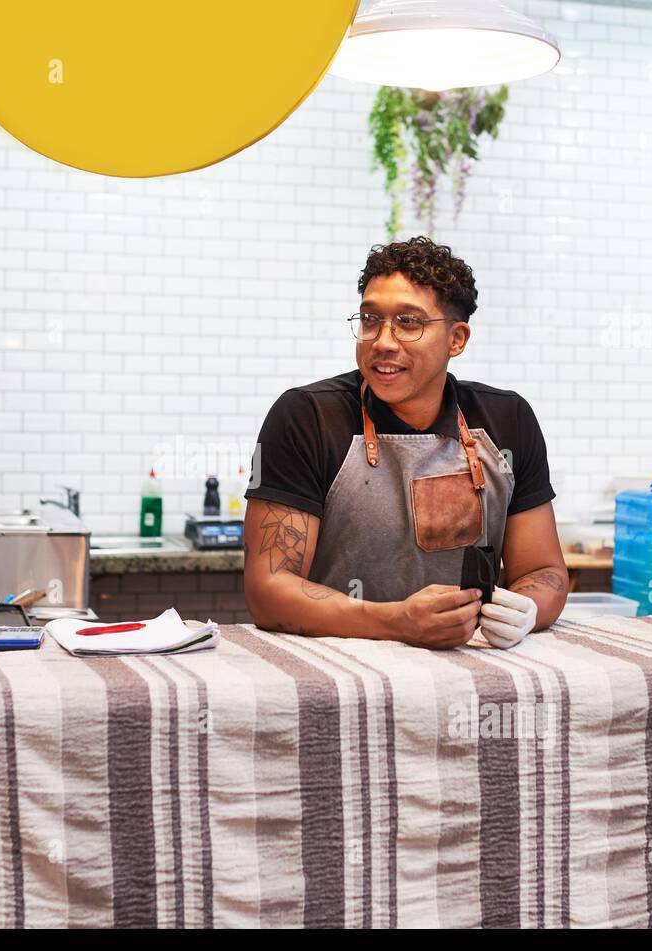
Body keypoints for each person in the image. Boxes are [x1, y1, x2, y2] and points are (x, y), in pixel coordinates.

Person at [243, 236, 567, 649]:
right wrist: (396, 622)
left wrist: (526, 610)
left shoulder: (507, 420)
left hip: (471, 672)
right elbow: (268, 592)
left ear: (457, 339)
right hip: (339, 674)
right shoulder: (307, 417)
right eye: (370, 319)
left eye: (409, 322)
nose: (382, 341)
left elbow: (545, 572)